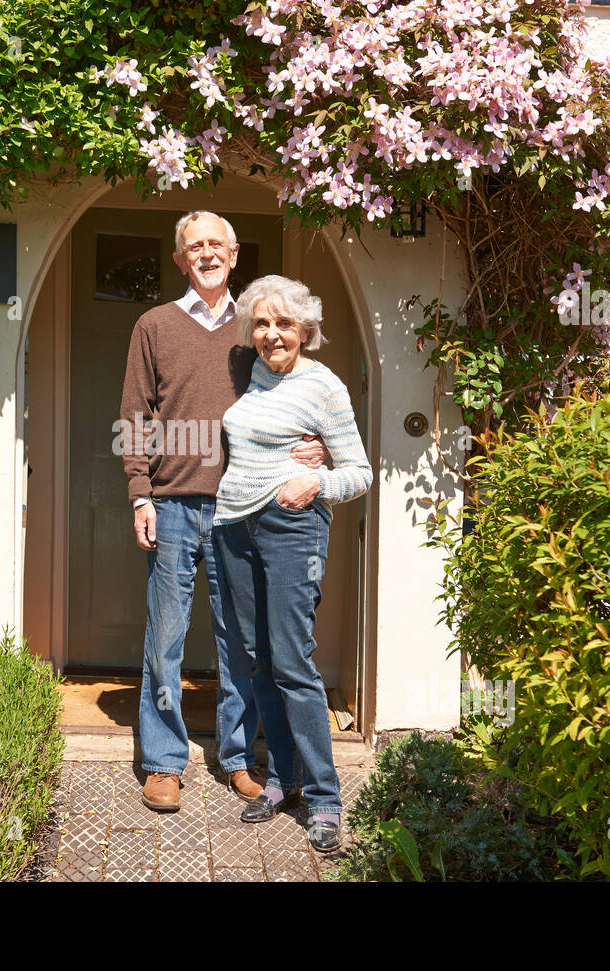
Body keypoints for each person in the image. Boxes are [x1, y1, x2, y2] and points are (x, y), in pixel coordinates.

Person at [120, 212, 327, 812]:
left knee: (243, 641)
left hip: (245, 505)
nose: (206, 254)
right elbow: (137, 415)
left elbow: (301, 393)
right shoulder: (153, 325)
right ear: (181, 260)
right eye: (194, 247)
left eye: (217, 244)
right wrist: (140, 492)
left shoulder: (256, 326)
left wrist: (319, 447)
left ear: (234, 255)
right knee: (166, 637)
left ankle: (238, 757)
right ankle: (163, 763)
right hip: (173, 503)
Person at [211, 274, 374, 852]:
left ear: (305, 329)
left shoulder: (325, 386)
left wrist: (316, 479)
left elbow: (360, 473)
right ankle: (285, 780)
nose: (272, 334)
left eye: (284, 323)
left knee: (292, 660)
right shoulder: (251, 375)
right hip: (232, 526)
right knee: (254, 658)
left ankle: (327, 800)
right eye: (261, 323)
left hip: (291, 527)